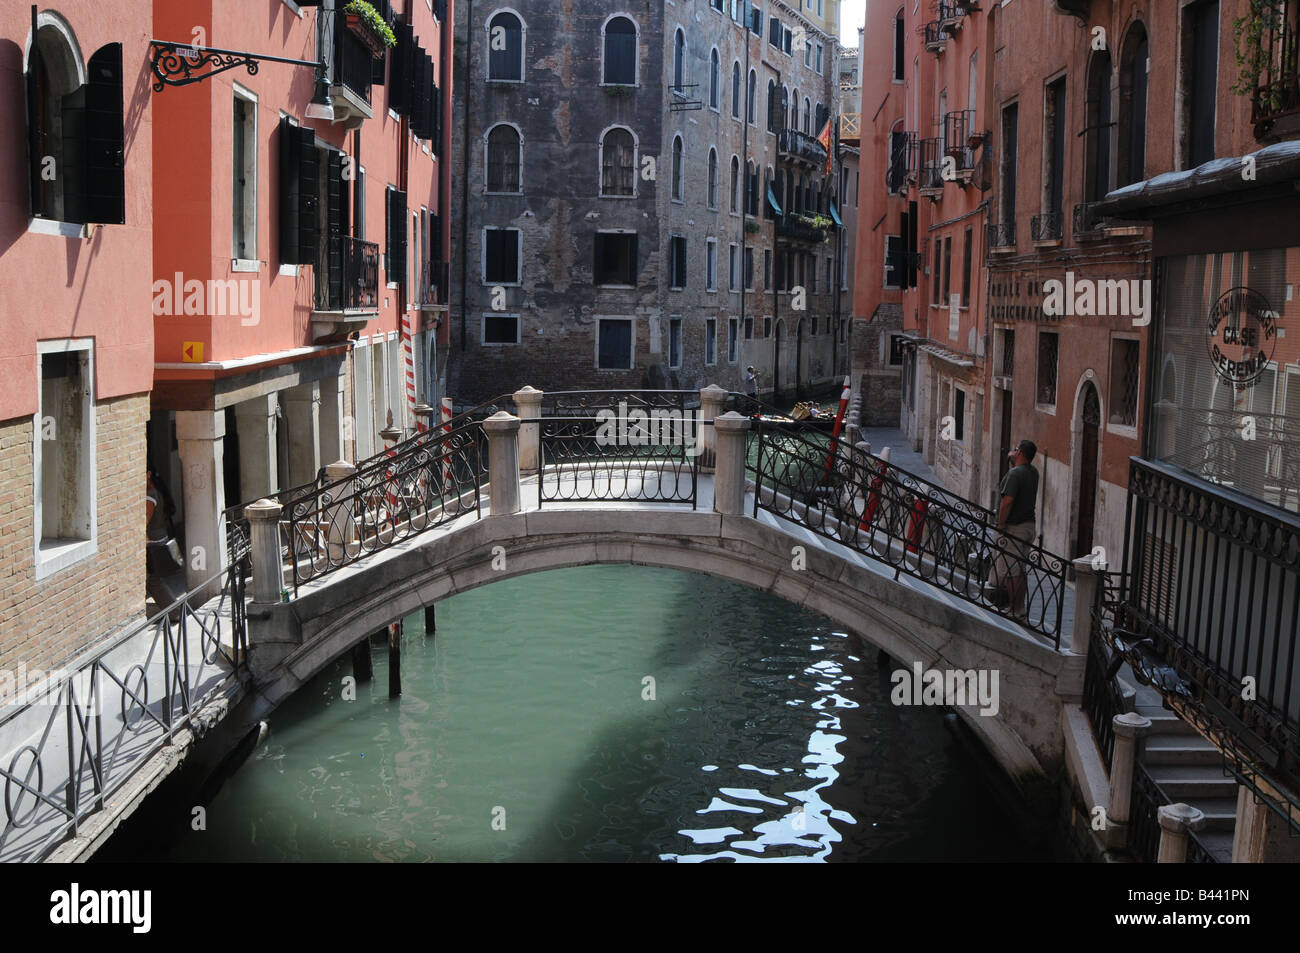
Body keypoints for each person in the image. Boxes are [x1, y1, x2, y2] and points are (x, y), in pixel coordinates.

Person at [988, 439, 1039, 620]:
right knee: (1020, 569)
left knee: (1011, 571)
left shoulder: (1015, 474)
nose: (1010, 451)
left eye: (1014, 449)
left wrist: (1001, 524)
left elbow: (1007, 501)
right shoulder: (1034, 472)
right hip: (1028, 526)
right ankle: (1020, 608)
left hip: (1015, 528)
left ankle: (1014, 609)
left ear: (1019, 453)